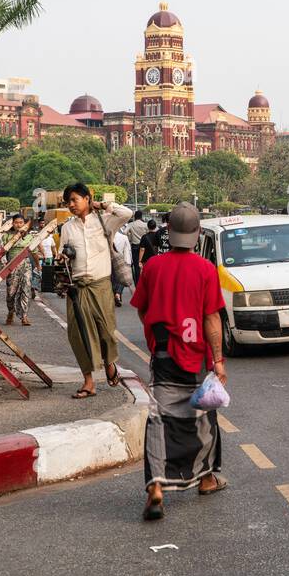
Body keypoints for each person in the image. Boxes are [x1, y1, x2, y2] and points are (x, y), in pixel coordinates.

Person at [131, 202, 228, 521]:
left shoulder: (153, 267)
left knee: (160, 419)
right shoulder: (205, 270)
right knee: (201, 418)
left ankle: (156, 487)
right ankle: (206, 479)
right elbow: (211, 318)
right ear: (197, 235)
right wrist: (218, 361)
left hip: (163, 354)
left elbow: (142, 308)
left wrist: (154, 335)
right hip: (195, 359)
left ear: (168, 232)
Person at [57, 182, 134, 399]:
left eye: (75, 199)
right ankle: (89, 382)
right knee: (78, 335)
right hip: (77, 287)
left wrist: (101, 205)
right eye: (68, 201)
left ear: (87, 199)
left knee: (106, 332)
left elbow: (126, 213)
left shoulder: (104, 221)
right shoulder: (67, 228)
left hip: (101, 285)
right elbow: (62, 255)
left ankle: (109, 364)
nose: (71, 205)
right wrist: (62, 258)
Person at [4, 215, 38, 326]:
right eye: (16, 222)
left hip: (26, 265)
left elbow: (34, 252)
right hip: (11, 266)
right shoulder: (7, 236)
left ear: (24, 224)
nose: (19, 224)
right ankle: (10, 312)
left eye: (21, 222)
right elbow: (2, 252)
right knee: (11, 291)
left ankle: (24, 316)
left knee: (26, 290)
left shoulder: (29, 237)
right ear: (12, 224)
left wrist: (38, 265)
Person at [111, 224, 134, 307]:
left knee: (112, 279)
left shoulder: (107, 237)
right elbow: (128, 249)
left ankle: (114, 294)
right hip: (121, 260)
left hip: (109, 260)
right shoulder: (123, 237)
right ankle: (118, 293)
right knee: (122, 278)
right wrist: (128, 262)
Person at [126, 212, 149, 283]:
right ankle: (145, 281)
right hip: (144, 247)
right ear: (141, 216)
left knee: (136, 266)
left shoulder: (131, 224)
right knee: (145, 265)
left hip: (135, 247)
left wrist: (130, 236)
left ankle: (138, 283)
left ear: (134, 217)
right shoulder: (145, 225)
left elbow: (124, 232)